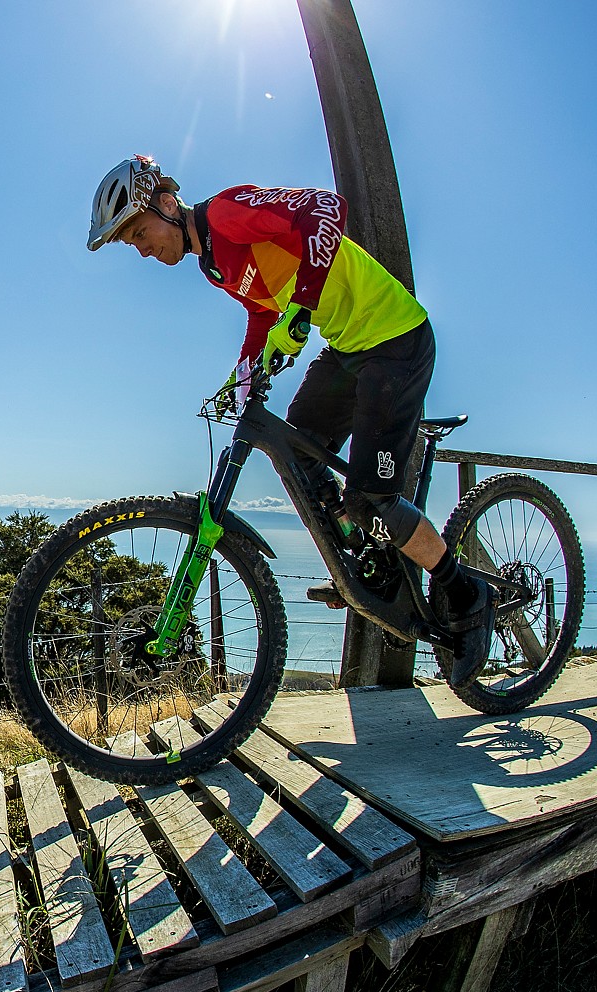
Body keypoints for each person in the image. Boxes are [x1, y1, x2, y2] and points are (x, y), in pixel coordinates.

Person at [86, 154, 493, 687]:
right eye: (131, 243)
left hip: (396, 341)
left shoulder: (226, 213)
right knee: (300, 451)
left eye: (139, 233)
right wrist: (243, 371)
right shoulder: (213, 265)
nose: (141, 249)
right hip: (349, 346)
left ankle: (466, 591)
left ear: (167, 204)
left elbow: (326, 209)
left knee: (373, 495)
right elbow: (263, 310)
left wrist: (301, 307)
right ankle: (363, 559)